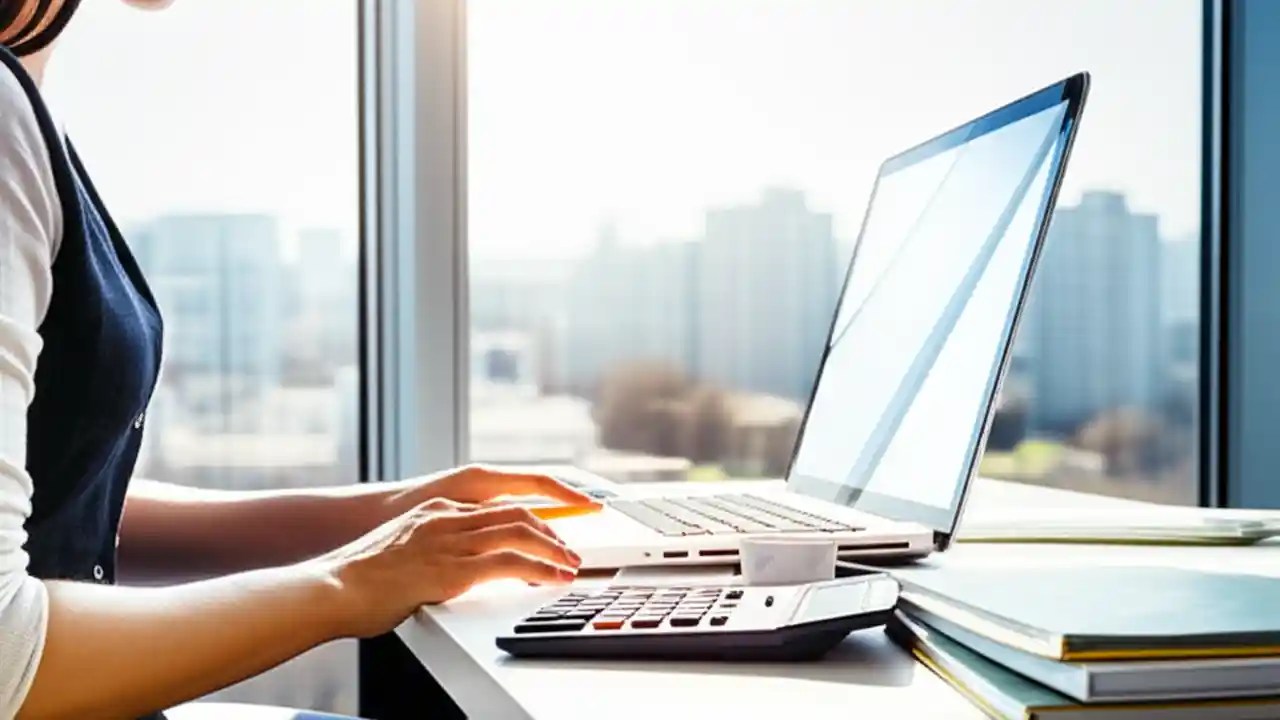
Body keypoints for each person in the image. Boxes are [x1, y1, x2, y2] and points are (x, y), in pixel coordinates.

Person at [0, 1, 594, 718]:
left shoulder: (26, 109)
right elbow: (5, 651)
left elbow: (60, 513)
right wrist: (347, 584)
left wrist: (393, 514)